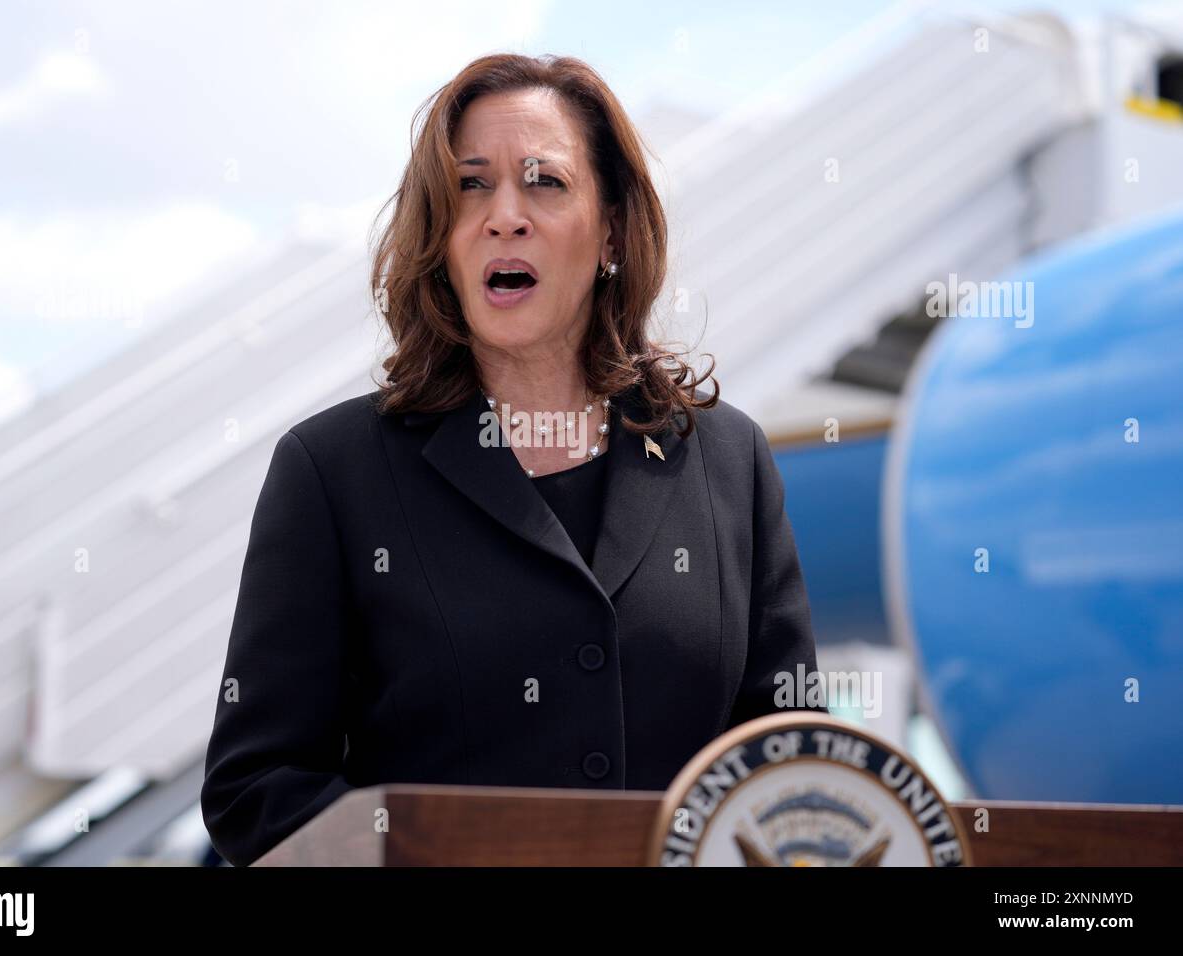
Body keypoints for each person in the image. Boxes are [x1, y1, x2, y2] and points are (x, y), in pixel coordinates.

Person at [200, 52, 820, 868]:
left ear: (609, 232)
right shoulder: (332, 470)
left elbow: (795, 759)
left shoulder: (729, 461)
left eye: (545, 182)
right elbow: (257, 787)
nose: (505, 216)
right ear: (441, 237)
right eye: (471, 186)